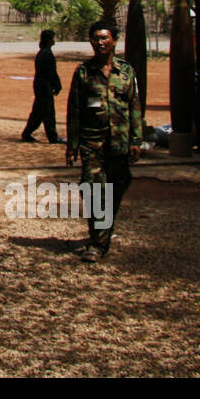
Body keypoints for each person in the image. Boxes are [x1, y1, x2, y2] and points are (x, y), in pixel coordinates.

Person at [65, 19, 142, 263]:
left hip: (119, 142)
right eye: (95, 38)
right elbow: (74, 110)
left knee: (118, 186)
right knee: (92, 188)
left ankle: (105, 228)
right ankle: (97, 243)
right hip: (92, 143)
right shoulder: (83, 72)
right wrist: (73, 145)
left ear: (114, 41)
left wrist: (136, 140)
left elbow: (134, 107)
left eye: (104, 38)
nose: (99, 43)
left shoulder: (127, 71)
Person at [20, 29, 62, 143]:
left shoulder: (42, 52)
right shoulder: (47, 54)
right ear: (49, 40)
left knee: (38, 112)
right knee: (48, 112)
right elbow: (51, 72)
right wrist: (57, 85)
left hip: (39, 85)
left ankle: (27, 133)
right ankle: (53, 137)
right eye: (52, 38)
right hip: (44, 85)